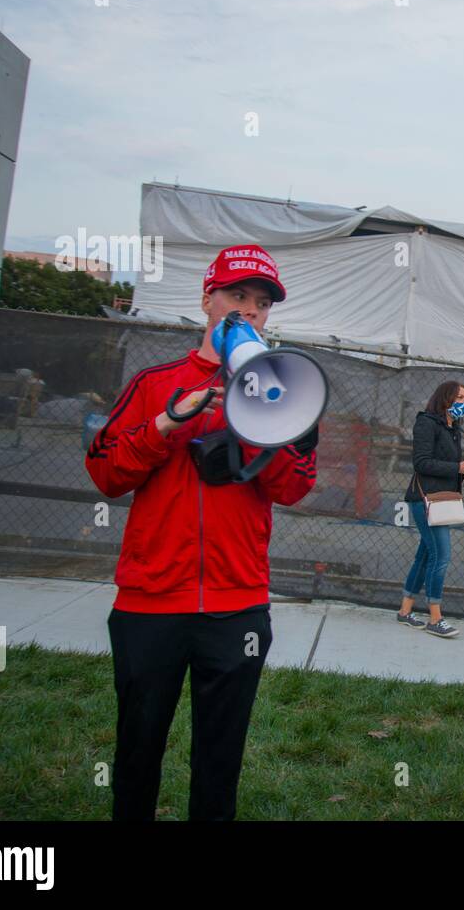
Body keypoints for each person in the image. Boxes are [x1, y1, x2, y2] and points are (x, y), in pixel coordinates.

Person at [85, 244, 318, 820]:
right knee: (138, 747)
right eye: (237, 296)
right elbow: (107, 473)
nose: (248, 311)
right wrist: (170, 420)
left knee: (220, 758)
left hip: (236, 606)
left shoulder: (280, 387)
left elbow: (292, 489)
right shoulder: (153, 382)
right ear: (207, 300)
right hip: (150, 604)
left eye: (261, 304)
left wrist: (272, 431)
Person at [397, 380, 464, 638]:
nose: (461, 403)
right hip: (426, 500)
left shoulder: (454, 428)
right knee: (440, 557)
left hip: (444, 499)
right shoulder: (427, 423)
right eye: (457, 398)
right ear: (444, 398)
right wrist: (456, 468)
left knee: (425, 556)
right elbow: (422, 463)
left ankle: (405, 611)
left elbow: (450, 466)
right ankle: (435, 618)